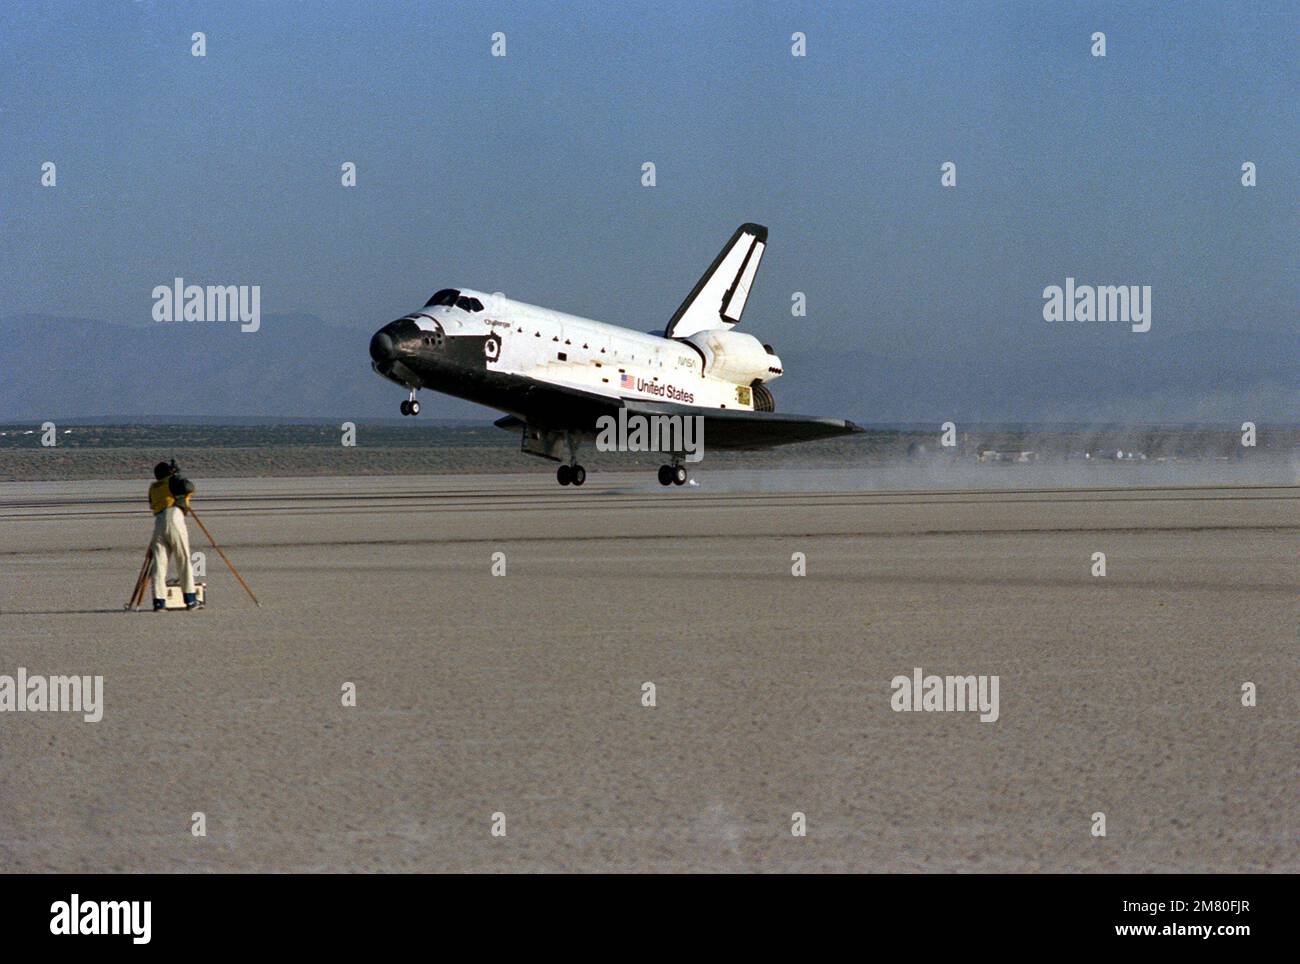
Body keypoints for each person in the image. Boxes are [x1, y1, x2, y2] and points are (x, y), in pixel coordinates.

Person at [147, 460, 201, 611]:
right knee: (183, 558)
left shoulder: (153, 487)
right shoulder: (172, 480)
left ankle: (159, 602)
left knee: (159, 563)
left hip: (158, 522)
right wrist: (177, 476)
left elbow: (153, 504)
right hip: (174, 517)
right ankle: (190, 599)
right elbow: (189, 487)